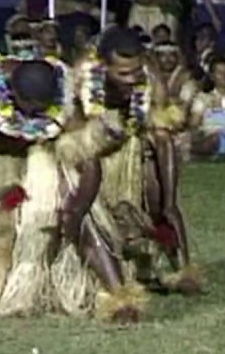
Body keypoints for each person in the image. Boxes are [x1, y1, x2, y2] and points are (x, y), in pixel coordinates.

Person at [0, 55, 144, 322]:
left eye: (41, 108)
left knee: (88, 225)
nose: (35, 114)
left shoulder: (66, 105)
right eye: (29, 107)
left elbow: (91, 166)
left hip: (42, 156)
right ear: (13, 93)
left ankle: (120, 297)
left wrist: (77, 210)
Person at [62, 28, 201, 295]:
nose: (131, 79)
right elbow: (73, 138)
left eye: (134, 72)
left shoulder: (148, 75)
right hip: (89, 149)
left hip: (131, 145)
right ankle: (95, 272)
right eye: (122, 74)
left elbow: (162, 136)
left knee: (157, 198)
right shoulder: (83, 76)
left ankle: (182, 269)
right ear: (103, 66)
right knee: (94, 211)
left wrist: (170, 200)